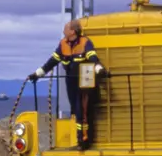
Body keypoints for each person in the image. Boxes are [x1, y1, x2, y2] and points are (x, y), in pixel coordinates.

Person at [28, 20, 108, 149]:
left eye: (66, 28)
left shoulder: (85, 42)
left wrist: (99, 69)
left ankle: (84, 140)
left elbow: (93, 58)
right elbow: (52, 61)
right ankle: (81, 138)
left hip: (84, 80)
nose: (63, 31)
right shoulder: (63, 44)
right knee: (75, 109)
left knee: (82, 109)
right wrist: (38, 74)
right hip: (70, 81)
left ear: (73, 31)